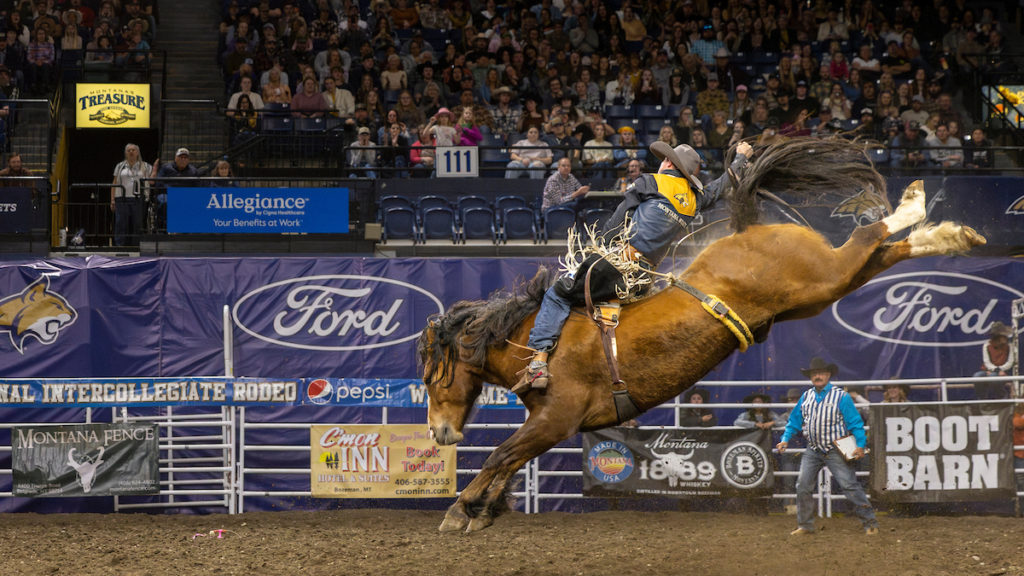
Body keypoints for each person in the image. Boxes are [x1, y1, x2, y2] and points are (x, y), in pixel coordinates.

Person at [516, 139, 752, 392]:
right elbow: (722, 184)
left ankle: (538, 362)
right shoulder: (696, 199)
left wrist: (598, 251)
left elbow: (617, 221)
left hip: (617, 267)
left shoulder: (650, 182)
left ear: (668, 162)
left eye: (664, 159)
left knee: (557, 294)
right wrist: (741, 158)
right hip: (642, 281)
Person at [777, 357, 879, 536]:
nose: (817, 376)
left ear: (828, 375)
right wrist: (785, 438)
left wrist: (860, 445)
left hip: (835, 449)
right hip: (813, 448)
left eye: (821, 373)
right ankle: (805, 525)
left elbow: (855, 423)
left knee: (849, 485)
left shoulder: (841, 396)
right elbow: (794, 421)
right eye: (814, 374)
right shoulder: (806, 397)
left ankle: (870, 523)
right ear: (811, 377)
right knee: (803, 485)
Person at [110, 144, 151, 246]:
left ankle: (136, 246)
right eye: (128, 150)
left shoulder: (145, 166)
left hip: (138, 199)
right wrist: (112, 199)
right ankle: (120, 246)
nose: (131, 152)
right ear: (125, 153)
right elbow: (114, 183)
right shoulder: (120, 166)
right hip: (121, 199)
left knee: (137, 224)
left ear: (137, 153)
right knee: (121, 223)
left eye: (133, 150)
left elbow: (151, 181)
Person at [153, 148, 200, 232]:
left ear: (188, 160)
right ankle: (163, 228)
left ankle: (186, 229)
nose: (183, 159)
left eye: (185, 158)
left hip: (185, 195)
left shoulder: (193, 171)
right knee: (164, 202)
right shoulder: (166, 168)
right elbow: (159, 183)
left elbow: (197, 186)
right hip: (167, 194)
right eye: (181, 157)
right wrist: (172, 191)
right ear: (175, 158)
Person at [973, 322, 1016, 400]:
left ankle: (1002, 397)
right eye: (1003, 335)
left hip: (1004, 372)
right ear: (997, 337)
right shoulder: (987, 345)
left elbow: (1010, 362)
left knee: (993, 376)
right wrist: (996, 370)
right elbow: (987, 362)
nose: (1006, 337)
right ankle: (982, 400)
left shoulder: (1009, 346)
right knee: (977, 376)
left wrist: (999, 370)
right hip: (989, 371)